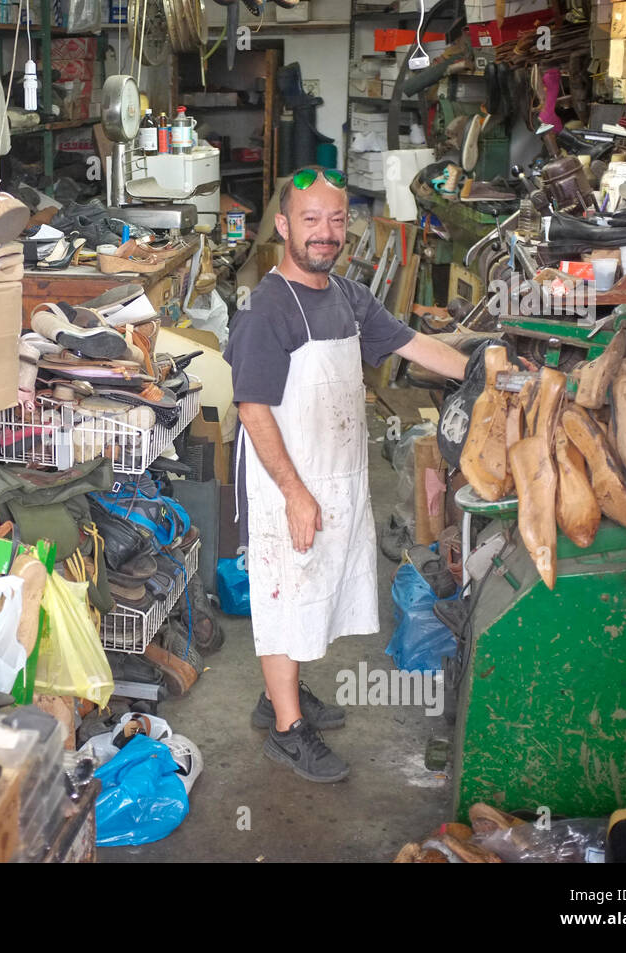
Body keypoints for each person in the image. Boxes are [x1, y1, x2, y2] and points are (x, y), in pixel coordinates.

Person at [224, 168, 468, 783]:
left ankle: (278, 695)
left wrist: (486, 374)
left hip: (338, 476)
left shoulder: (348, 296)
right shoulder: (266, 309)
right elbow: (252, 409)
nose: (326, 233)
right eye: (311, 220)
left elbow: (414, 345)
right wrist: (295, 493)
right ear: (283, 226)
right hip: (292, 481)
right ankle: (286, 730)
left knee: (315, 595)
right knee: (285, 596)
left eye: (336, 220)